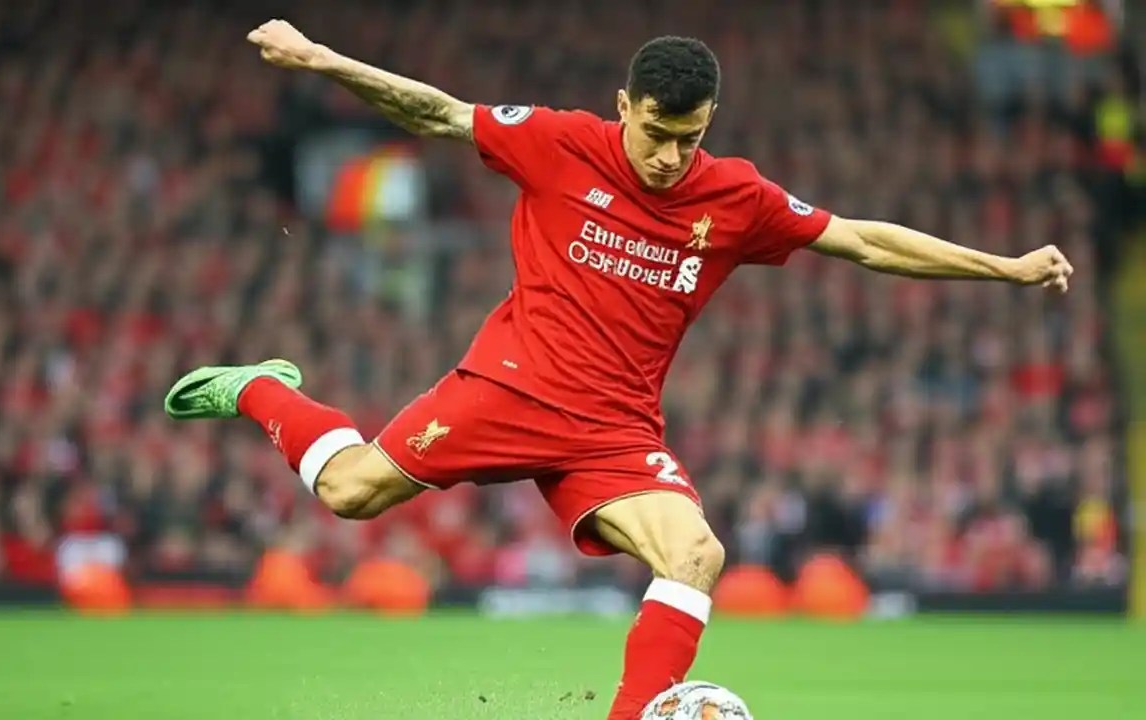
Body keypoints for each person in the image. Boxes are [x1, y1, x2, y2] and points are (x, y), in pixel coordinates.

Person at [165, 19, 1074, 719]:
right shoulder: (560, 142)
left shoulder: (737, 197)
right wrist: (322, 60)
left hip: (612, 432)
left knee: (697, 553)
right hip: (508, 389)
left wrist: (1003, 268)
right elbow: (438, 112)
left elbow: (863, 241)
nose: (671, 156)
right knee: (349, 492)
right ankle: (261, 388)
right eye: (656, 133)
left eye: (690, 137)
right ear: (623, 105)